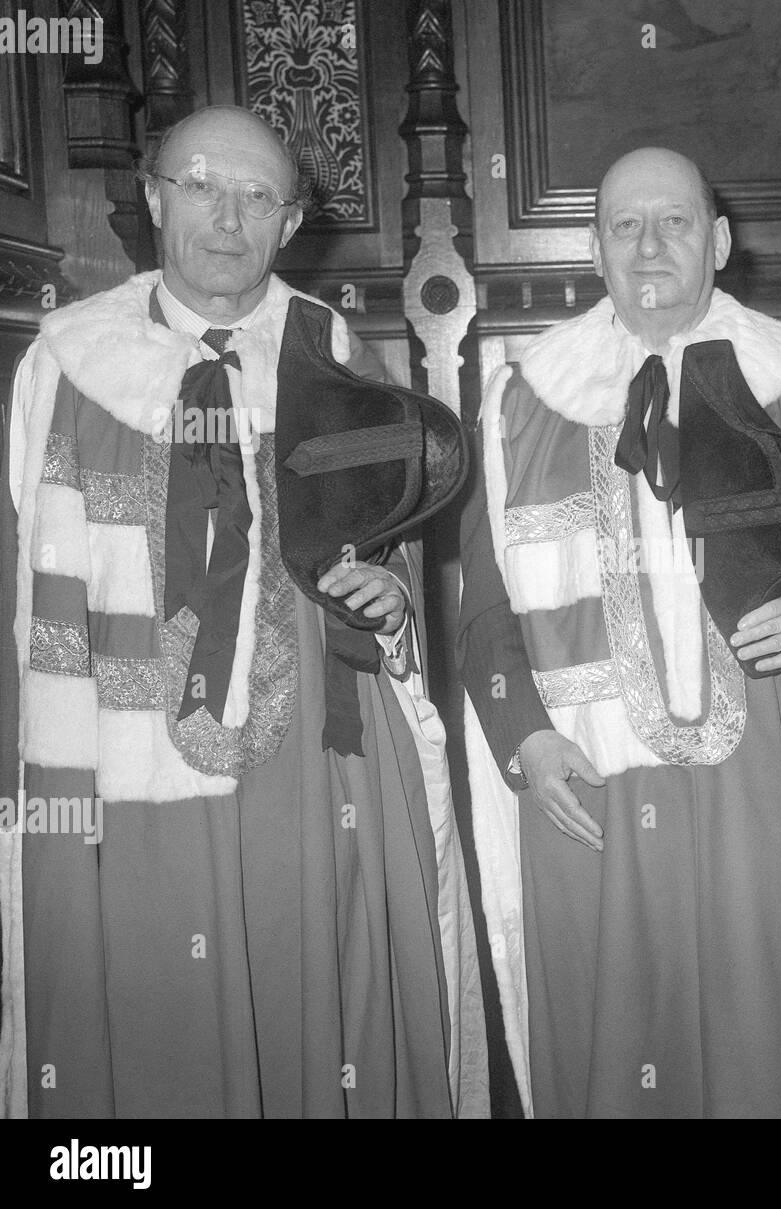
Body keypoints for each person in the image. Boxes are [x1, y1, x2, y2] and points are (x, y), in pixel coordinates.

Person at [0, 105, 486, 1118]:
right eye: (200, 185)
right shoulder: (66, 360)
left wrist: (389, 600)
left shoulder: (336, 353)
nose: (227, 218)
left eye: (258, 196)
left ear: (293, 221)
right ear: (150, 196)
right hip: (127, 769)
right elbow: (32, 603)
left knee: (325, 1017)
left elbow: (394, 562)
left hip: (314, 759)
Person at [458, 146, 781, 1118]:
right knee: (615, 1047)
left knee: (765, 1040)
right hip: (585, 776)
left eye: (677, 222)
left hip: (762, 764)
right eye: (625, 225)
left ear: (720, 242)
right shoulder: (520, 405)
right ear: (596, 249)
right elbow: (483, 602)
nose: (650, 245)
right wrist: (525, 736)